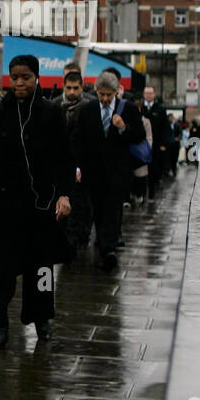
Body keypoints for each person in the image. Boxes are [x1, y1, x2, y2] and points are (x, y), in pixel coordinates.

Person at [0, 55, 73, 352]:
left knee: (41, 269)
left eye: (25, 77)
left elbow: (63, 157)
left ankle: (42, 321)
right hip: (2, 207)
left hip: (39, 206)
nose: (19, 83)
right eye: (14, 77)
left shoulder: (51, 113)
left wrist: (63, 194)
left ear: (36, 77)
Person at [71, 70, 142, 272]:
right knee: (97, 210)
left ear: (115, 92)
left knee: (112, 211)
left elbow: (139, 136)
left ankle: (107, 249)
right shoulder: (88, 109)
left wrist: (123, 128)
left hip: (117, 173)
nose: (104, 99)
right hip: (92, 173)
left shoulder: (126, 109)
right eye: (101, 94)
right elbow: (78, 140)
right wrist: (78, 166)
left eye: (108, 95)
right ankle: (101, 243)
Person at [55, 69, 92, 257]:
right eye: (68, 88)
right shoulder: (55, 105)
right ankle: (65, 242)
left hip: (81, 165)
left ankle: (77, 239)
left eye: (75, 88)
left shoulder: (88, 107)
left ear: (81, 87)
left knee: (80, 205)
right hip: (61, 164)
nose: (71, 92)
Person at [137, 87, 172, 195]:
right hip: (142, 143)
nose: (148, 95)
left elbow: (165, 127)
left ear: (154, 94)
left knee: (153, 167)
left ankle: (152, 190)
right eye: (146, 93)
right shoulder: (140, 108)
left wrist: (163, 143)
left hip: (156, 144)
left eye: (150, 93)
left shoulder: (160, 109)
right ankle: (141, 192)